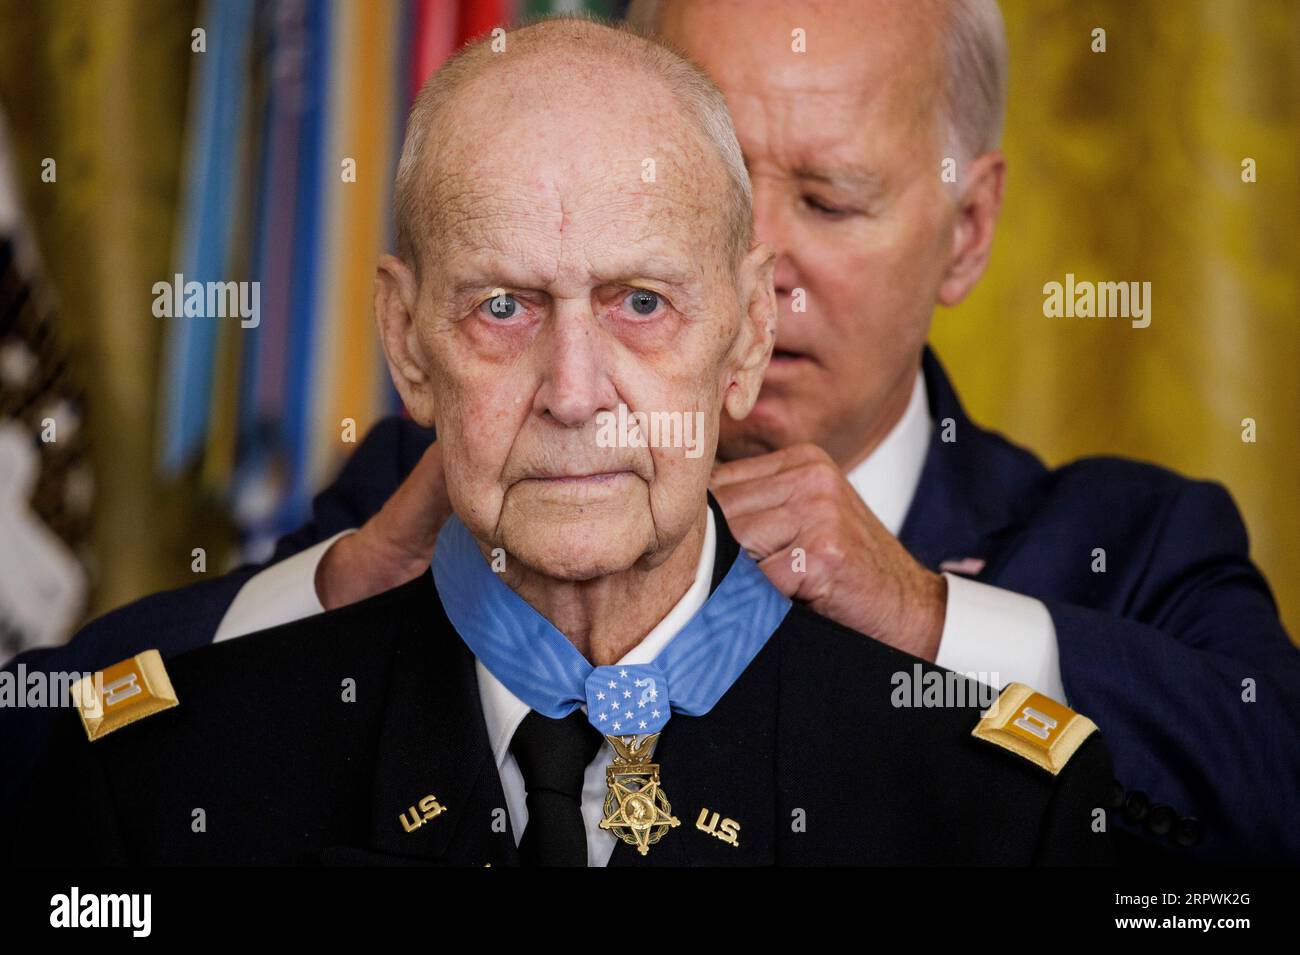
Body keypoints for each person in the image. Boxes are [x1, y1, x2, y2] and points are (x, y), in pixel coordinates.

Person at [4, 0, 1297, 863]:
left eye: (832, 199)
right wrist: (350, 594)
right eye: (710, 182)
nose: (765, 259)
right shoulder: (422, 488)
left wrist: (923, 621)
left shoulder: (1121, 542)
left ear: (965, 231)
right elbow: (54, 764)